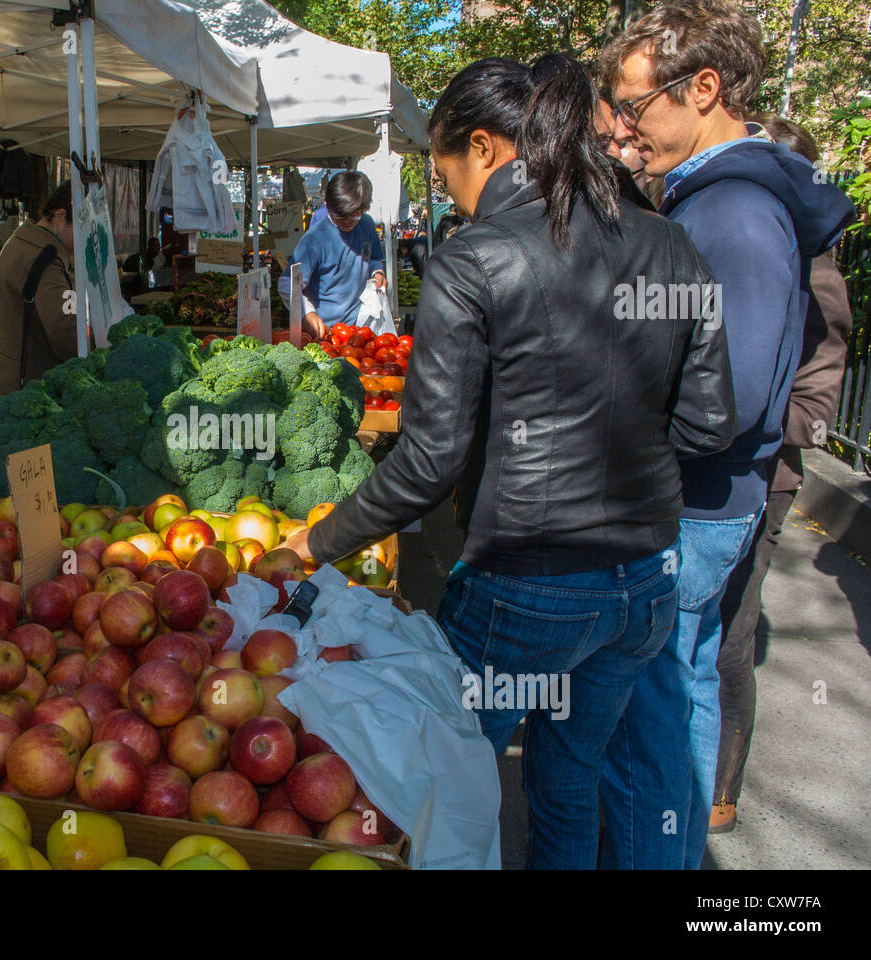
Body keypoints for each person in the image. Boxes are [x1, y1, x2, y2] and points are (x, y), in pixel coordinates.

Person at [285, 53, 735, 869]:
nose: (445, 185)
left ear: (486, 148)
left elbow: (428, 461)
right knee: (569, 778)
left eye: (443, 164)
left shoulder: (474, 258)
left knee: (435, 784)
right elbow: (709, 425)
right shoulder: (670, 245)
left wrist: (311, 545)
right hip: (643, 581)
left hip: (525, 586)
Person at [598, 0, 854, 869]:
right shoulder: (726, 200)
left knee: (645, 723)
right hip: (710, 501)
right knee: (686, 692)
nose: (628, 131)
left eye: (635, 107)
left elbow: (731, 399)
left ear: (703, 88)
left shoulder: (735, 211)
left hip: (689, 506)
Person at [711, 114, 854, 835]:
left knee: (732, 640)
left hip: (764, 487)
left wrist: (740, 414)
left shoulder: (820, 284)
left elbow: (813, 415)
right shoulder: (751, 259)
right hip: (711, 485)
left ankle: (719, 789)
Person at [0, 181, 78, 396]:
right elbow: (63, 329)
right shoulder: (45, 257)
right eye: (81, 229)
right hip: (28, 386)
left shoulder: (21, 240)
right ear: (59, 217)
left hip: (9, 376)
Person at [278, 171, 385, 340]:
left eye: (355, 214)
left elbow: (374, 258)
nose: (348, 220)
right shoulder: (314, 239)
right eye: (340, 215)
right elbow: (286, 283)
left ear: (364, 208)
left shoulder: (367, 224)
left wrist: (377, 272)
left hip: (358, 328)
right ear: (328, 206)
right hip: (323, 332)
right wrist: (307, 313)